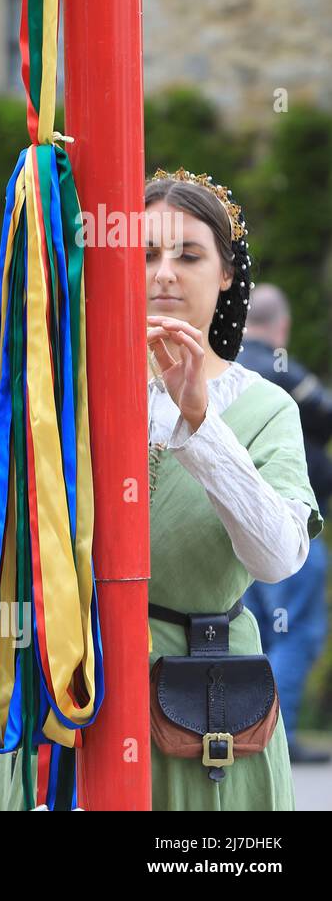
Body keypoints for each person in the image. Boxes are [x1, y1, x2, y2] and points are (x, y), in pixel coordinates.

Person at [0, 169, 322, 810]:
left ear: (226, 273)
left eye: (189, 255)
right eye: (144, 253)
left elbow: (279, 559)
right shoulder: (62, 391)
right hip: (69, 680)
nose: (164, 272)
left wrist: (199, 422)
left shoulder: (266, 406)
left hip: (199, 699)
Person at [237, 284, 332, 764]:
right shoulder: (282, 372)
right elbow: (326, 415)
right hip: (286, 533)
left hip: (233, 536)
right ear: (283, 327)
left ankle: (243, 731)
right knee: (297, 633)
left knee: (250, 635)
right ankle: (278, 738)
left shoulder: (222, 370)